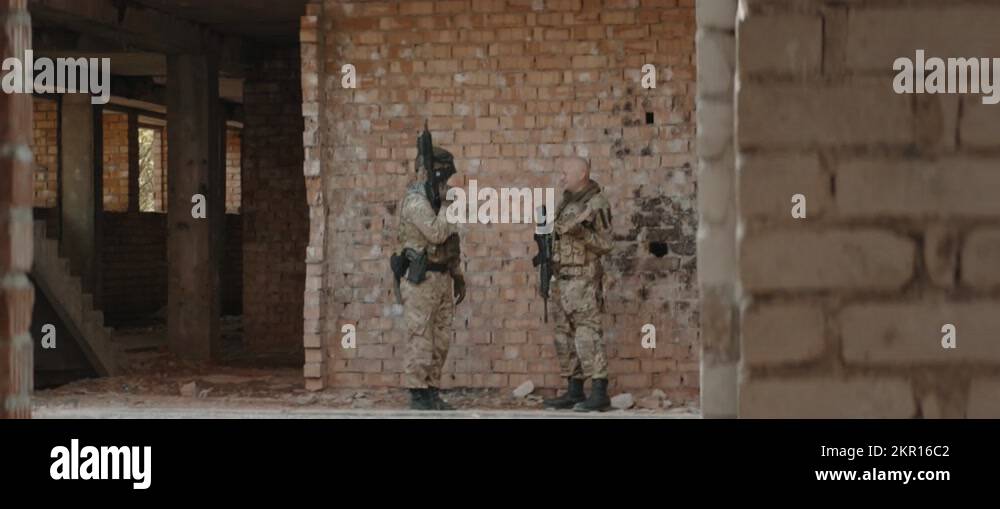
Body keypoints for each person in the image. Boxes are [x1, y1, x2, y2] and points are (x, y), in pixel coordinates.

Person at [390, 124, 465, 410]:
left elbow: (451, 241)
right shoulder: (415, 202)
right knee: (421, 338)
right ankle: (418, 393)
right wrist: (448, 206)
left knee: (441, 339)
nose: (449, 182)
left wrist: (458, 274)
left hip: (442, 278)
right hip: (421, 280)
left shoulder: (439, 201)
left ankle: (432, 390)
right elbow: (436, 233)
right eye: (445, 176)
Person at [542, 156, 614, 412]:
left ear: (582, 173)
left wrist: (580, 232)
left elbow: (606, 244)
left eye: (565, 173)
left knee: (587, 334)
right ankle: (574, 391)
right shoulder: (565, 202)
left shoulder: (596, 203)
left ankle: (599, 392)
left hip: (583, 280)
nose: (562, 177)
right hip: (561, 280)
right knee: (563, 337)